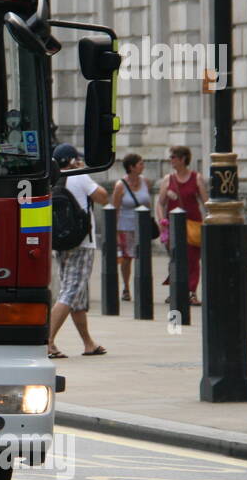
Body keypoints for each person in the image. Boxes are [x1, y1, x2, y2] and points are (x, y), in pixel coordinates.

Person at [48, 143, 108, 359]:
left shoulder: (51, 179)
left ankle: (88, 343)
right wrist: (85, 171)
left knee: (77, 296)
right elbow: (103, 196)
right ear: (73, 161)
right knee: (70, 292)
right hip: (81, 244)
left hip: (62, 243)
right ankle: (47, 341)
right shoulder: (79, 175)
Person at [155, 144, 208, 306]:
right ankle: (176, 291)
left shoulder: (196, 178)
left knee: (193, 260)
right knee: (175, 259)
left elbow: (206, 202)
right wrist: (161, 221)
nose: (171, 160)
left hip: (193, 225)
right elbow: (160, 203)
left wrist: (207, 221)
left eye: (173, 157)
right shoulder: (168, 180)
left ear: (183, 158)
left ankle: (191, 292)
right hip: (173, 226)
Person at [109, 153, 152, 302]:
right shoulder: (120, 186)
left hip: (142, 227)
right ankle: (126, 287)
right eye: (140, 163)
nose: (143, 166)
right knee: (127, 259)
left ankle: (143, 286)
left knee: (143, 257)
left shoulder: (146, 182)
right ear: (131, 167)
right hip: (125, 227)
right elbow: (114, 209)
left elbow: (148, 204)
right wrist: (113, 232)